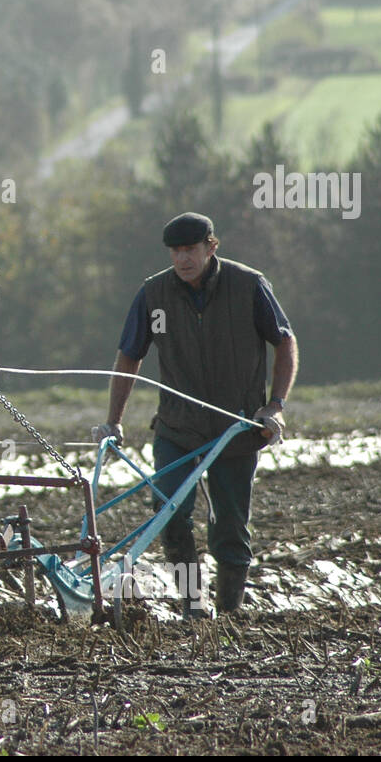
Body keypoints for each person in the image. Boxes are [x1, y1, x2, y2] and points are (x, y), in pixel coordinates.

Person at [93, 212, 297, 616]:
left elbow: (285, 343)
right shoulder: (154, 295)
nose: (183, 259)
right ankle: (192, 604)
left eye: (191, 249)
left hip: (236, 431)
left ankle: (230, 611)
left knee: (230, 527)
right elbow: (130, 355)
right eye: (176, 251)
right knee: (170, 515)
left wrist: (275, 406)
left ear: (211, 247)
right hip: (177, 429)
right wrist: (114, 419)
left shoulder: (248, 286)